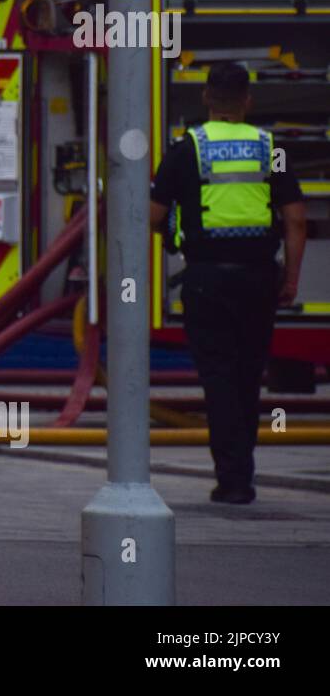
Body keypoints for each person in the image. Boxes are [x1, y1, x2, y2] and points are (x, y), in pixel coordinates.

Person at [149, 62, 306, 504]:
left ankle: (232, 478)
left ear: (206, 98)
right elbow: (295, 220)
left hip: (206, 280)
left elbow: (154, 216)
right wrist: (290, 280)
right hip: (259, 279)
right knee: (248, 375)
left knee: (217, 375)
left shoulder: (186, 150)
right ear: (248, 101)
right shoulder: (270, 148)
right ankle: (242, 475)